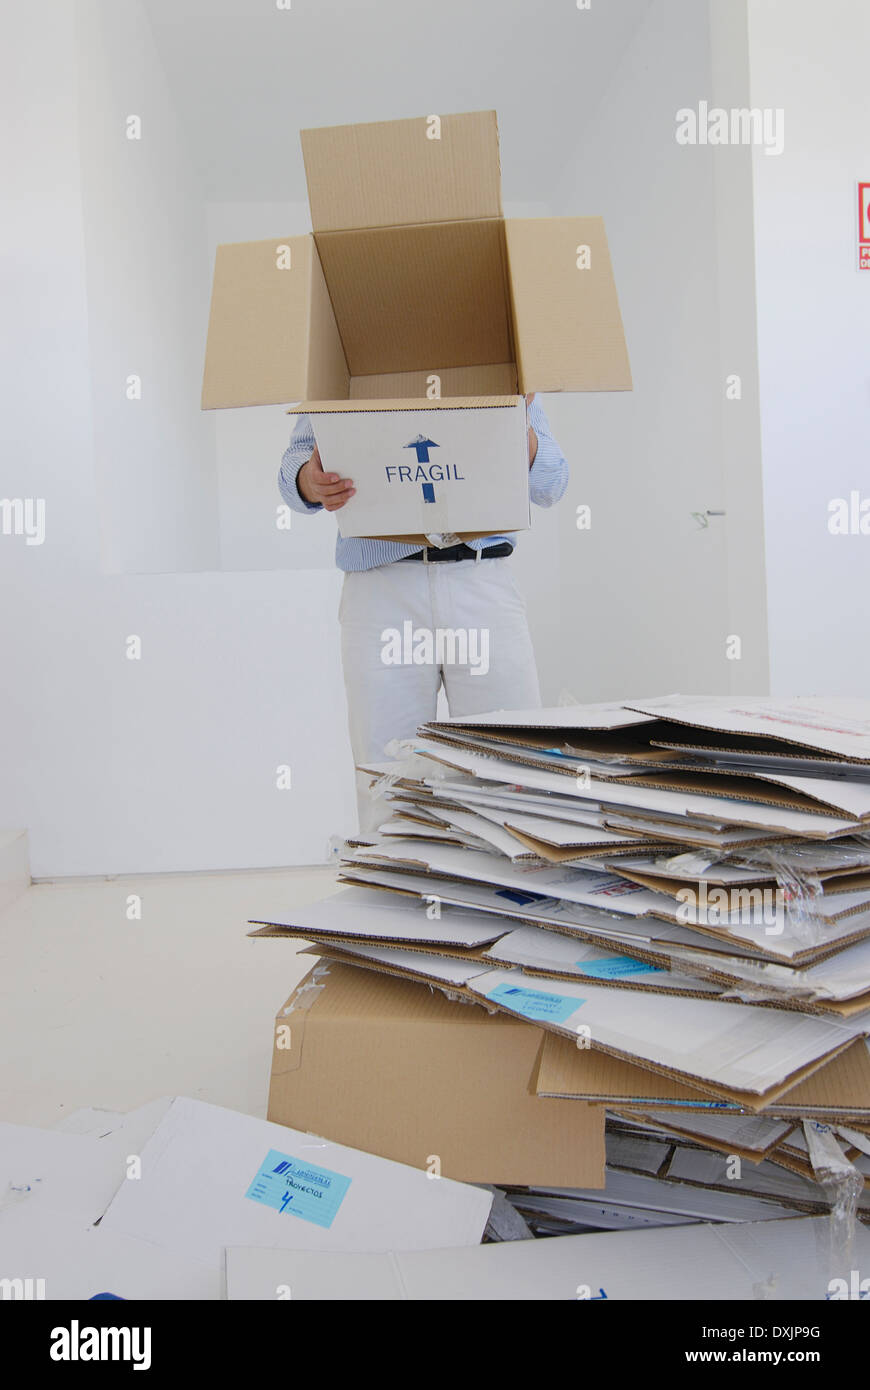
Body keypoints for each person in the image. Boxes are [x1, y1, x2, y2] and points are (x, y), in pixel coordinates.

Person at [279, 394, 568, 835]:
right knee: (387, 776)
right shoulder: (347, 365)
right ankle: (393, 872)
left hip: (481, 581)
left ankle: (509, 875)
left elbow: (552, 483)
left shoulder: (506, 368)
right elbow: (295, 470)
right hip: (382, 586)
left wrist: (516, 421)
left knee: (510, 764)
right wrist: (309, 481)